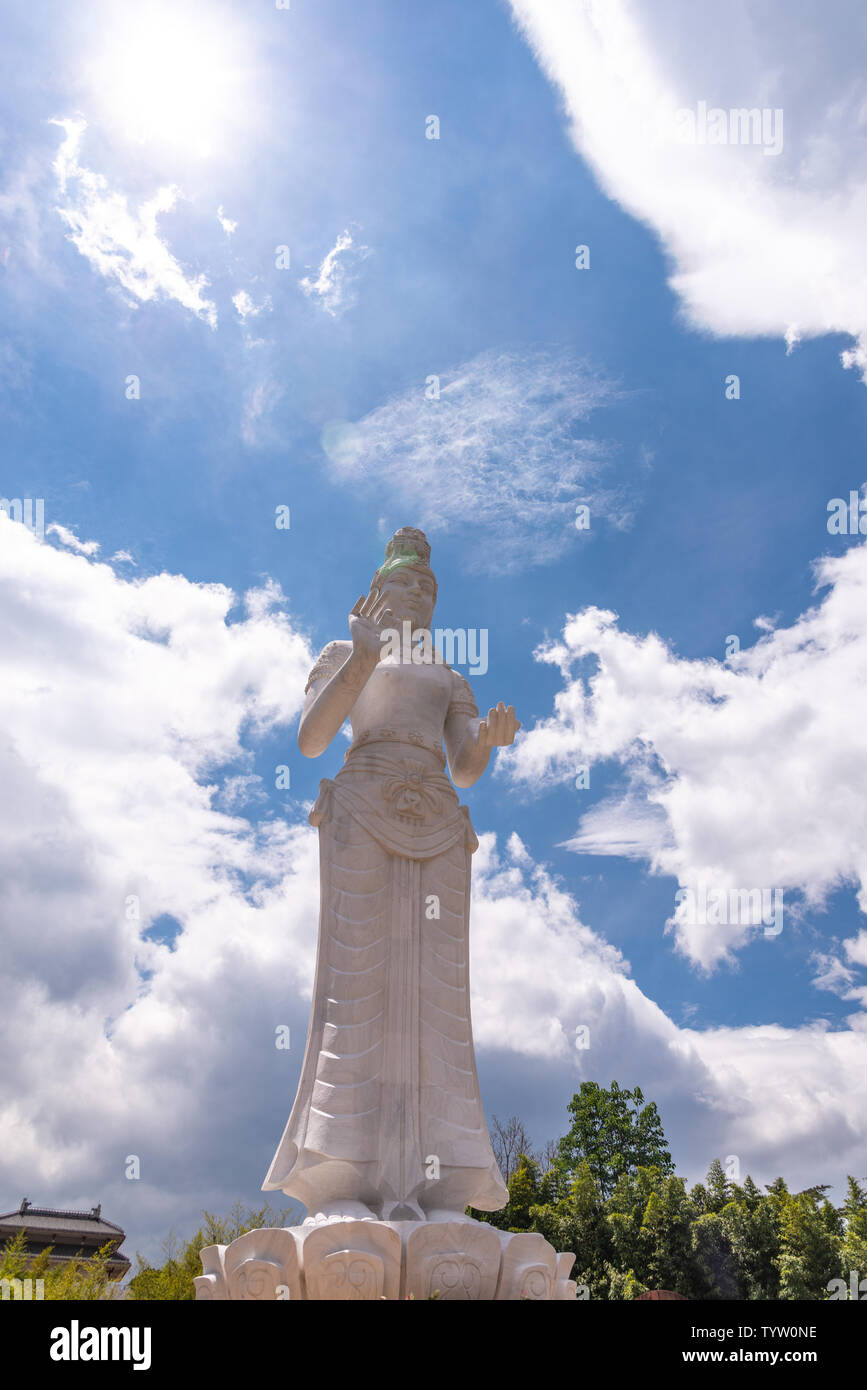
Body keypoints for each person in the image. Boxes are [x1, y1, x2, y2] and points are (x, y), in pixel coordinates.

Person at [263, 527, 520, 1222]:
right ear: (379, 590)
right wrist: (364, 658)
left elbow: (463, 763)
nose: (423, 598)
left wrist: (487, 744)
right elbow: (312, 739)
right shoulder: (345, 652)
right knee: (357, 984)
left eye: (431, 589)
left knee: (437, 993)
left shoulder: (448, 674)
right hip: (364, 797)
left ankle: (441, 1188)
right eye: (409, 585)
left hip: (436, 813)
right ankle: (341, 1176)